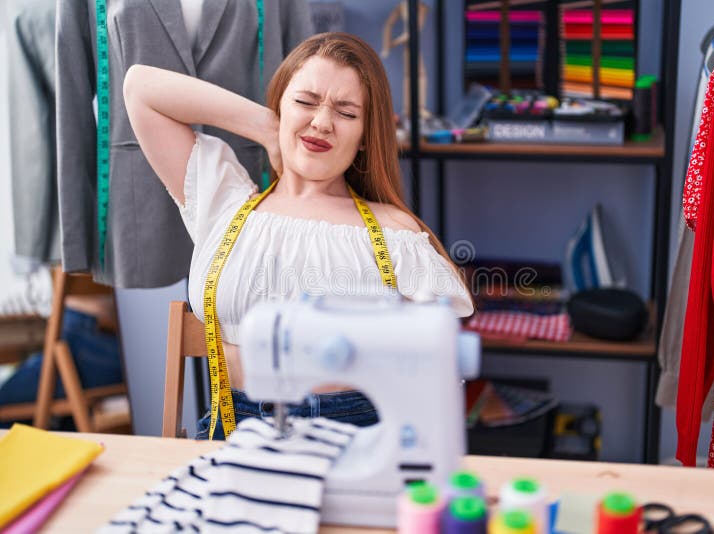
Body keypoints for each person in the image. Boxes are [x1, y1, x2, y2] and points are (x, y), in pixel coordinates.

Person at [123, 32, 474, 440]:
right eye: (305, 102)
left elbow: (440, 372)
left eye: (346, 112)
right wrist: (268, 127)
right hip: (233, 435)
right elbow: (139, 87)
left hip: (354, 438)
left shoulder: (393, 233)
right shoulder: (223, 201)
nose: (321, 122)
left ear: (365, 138)